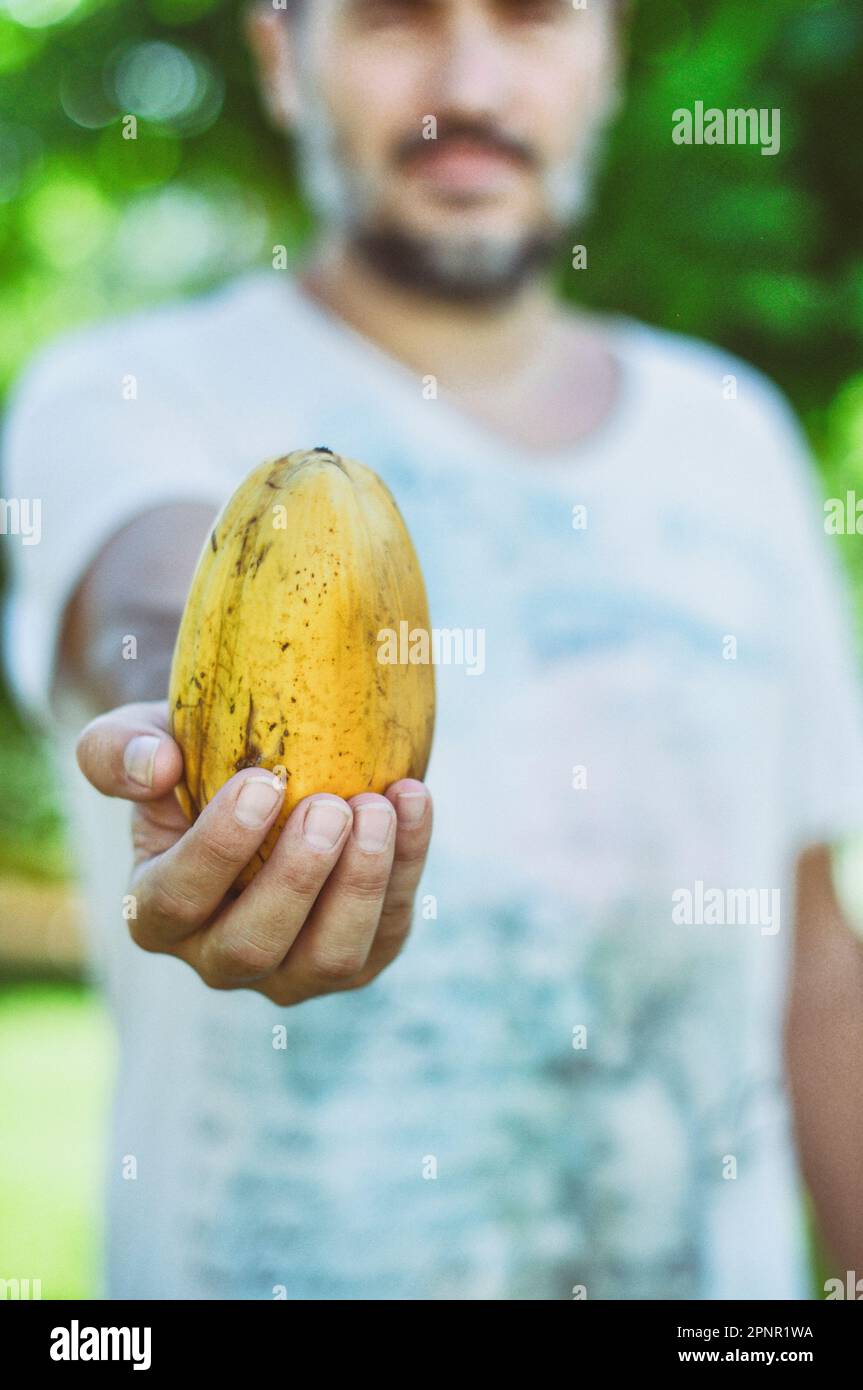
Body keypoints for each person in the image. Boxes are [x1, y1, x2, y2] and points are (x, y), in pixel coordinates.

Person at [3, 0, 863, 1300]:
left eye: (531, 17)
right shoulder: (122, 386)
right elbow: (147, 592)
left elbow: (811, 962)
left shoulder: (734, 437)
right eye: (398, 17)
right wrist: (196, 728)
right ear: (285, 55)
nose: (468, 80)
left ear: (609, 52)